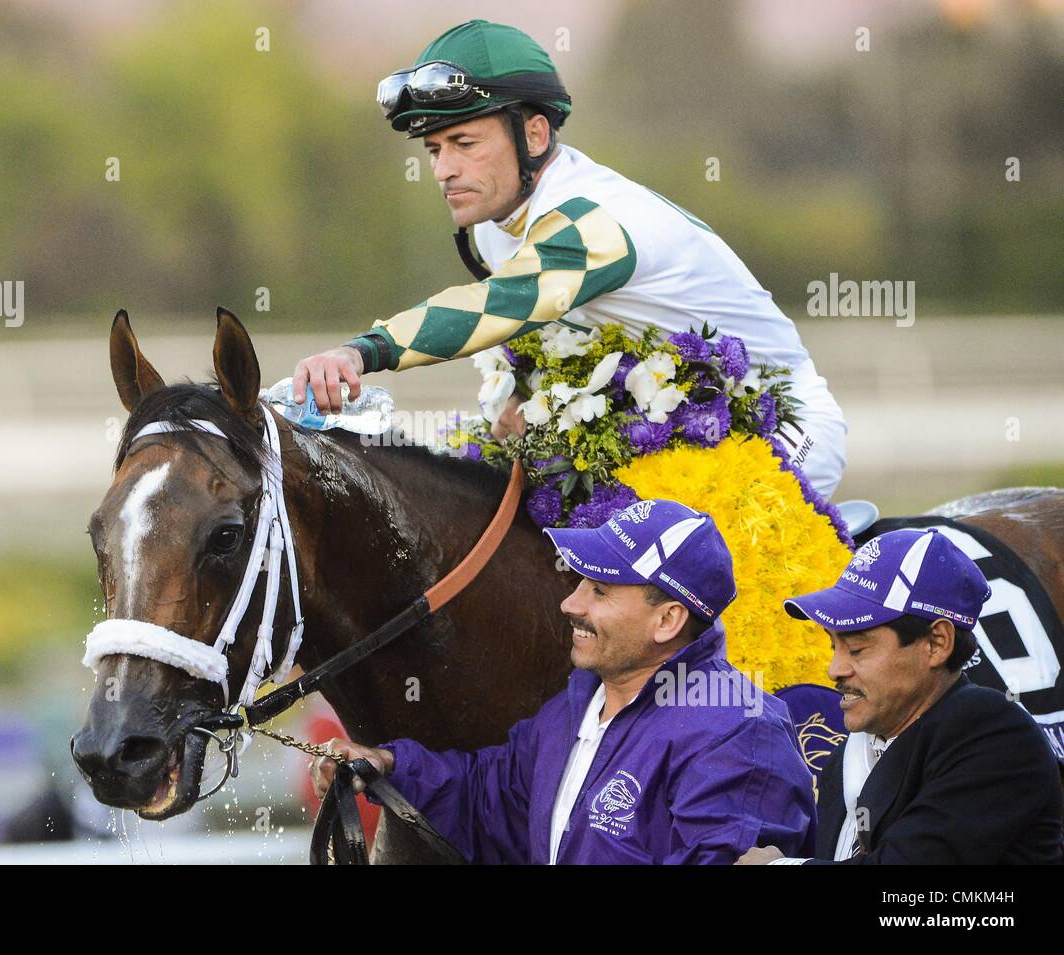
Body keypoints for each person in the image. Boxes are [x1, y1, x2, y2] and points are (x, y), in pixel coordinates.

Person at [292, 19, 847, 497]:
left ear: (534, 134)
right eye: (434, 150)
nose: (443, 170)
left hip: (778, 425)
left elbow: (503, 305)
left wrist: (365, 351)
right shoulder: (495, 224)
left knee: (658, 587)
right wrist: (522, 393)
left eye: (465, 143)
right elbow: (553, 334)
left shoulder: (596, 220)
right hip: (671, 427)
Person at [310, 499, 816, 863]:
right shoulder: (576, 706)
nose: (570, 604)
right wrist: (388, 765)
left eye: (599, 590)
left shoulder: (739, 733)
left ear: (668, 620)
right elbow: (493, 799)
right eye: (579, 584)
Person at [738, 529, 1063, 864]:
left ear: (937, 643)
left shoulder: (997, 739)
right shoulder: (844, 758)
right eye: (833, 646)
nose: (834, 669)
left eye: (858, 649)